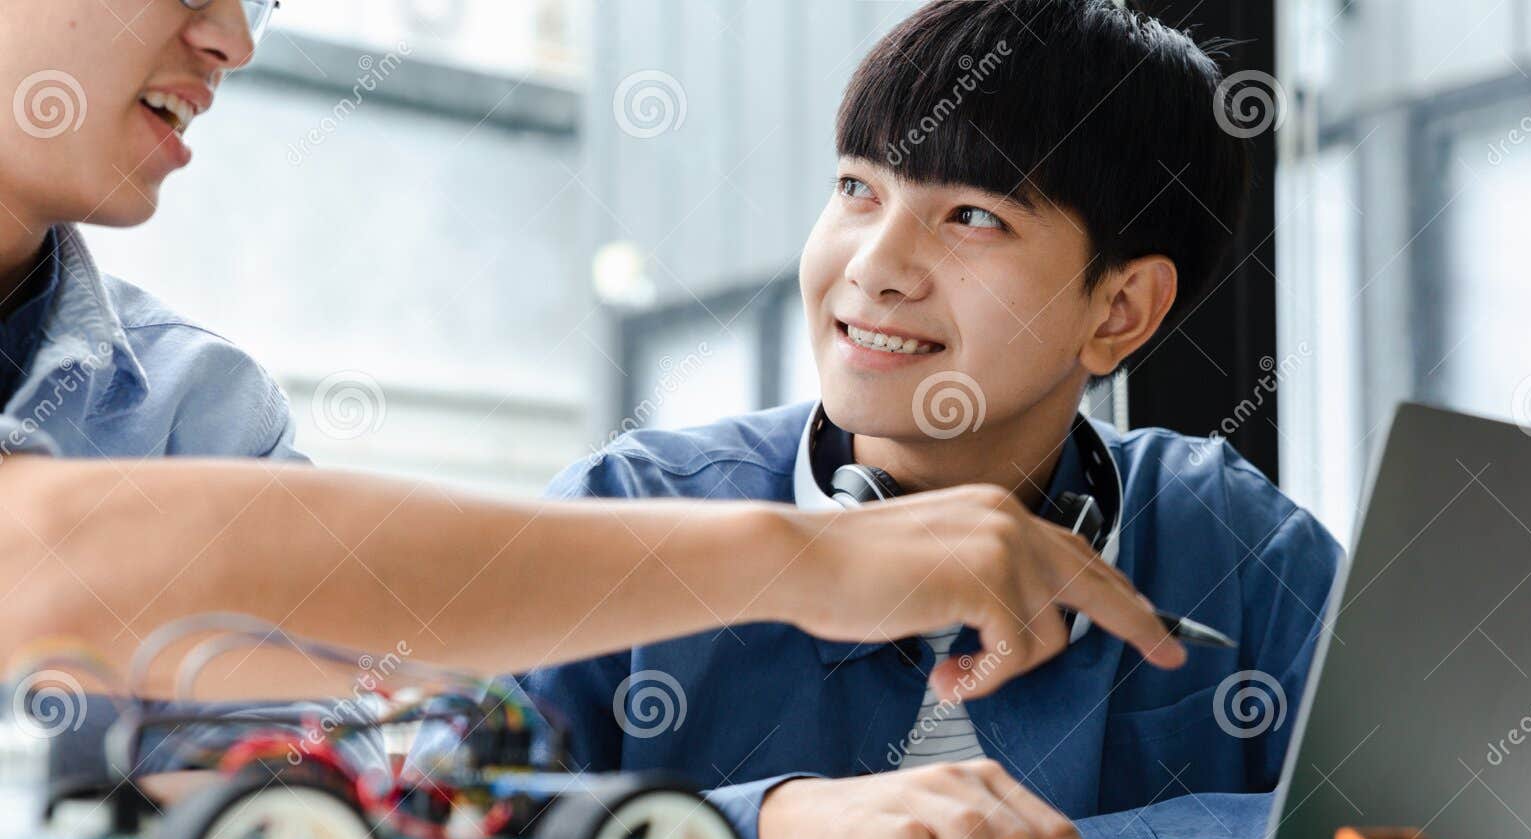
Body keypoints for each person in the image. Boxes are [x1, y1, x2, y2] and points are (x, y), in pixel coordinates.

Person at [414, 0, 1344, 839]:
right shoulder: (629, 509)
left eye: (972, 216)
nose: (876, 263)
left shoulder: (1235, 543)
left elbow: (1402, 828)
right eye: (858, 188)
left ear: (1119, 310)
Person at [0, 2, 1179, 707]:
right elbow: (36, 566)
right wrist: (803, 560)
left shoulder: (198, 409)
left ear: (1123, 308)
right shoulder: (654, 494)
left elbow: (345, 746)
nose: (233, 38)